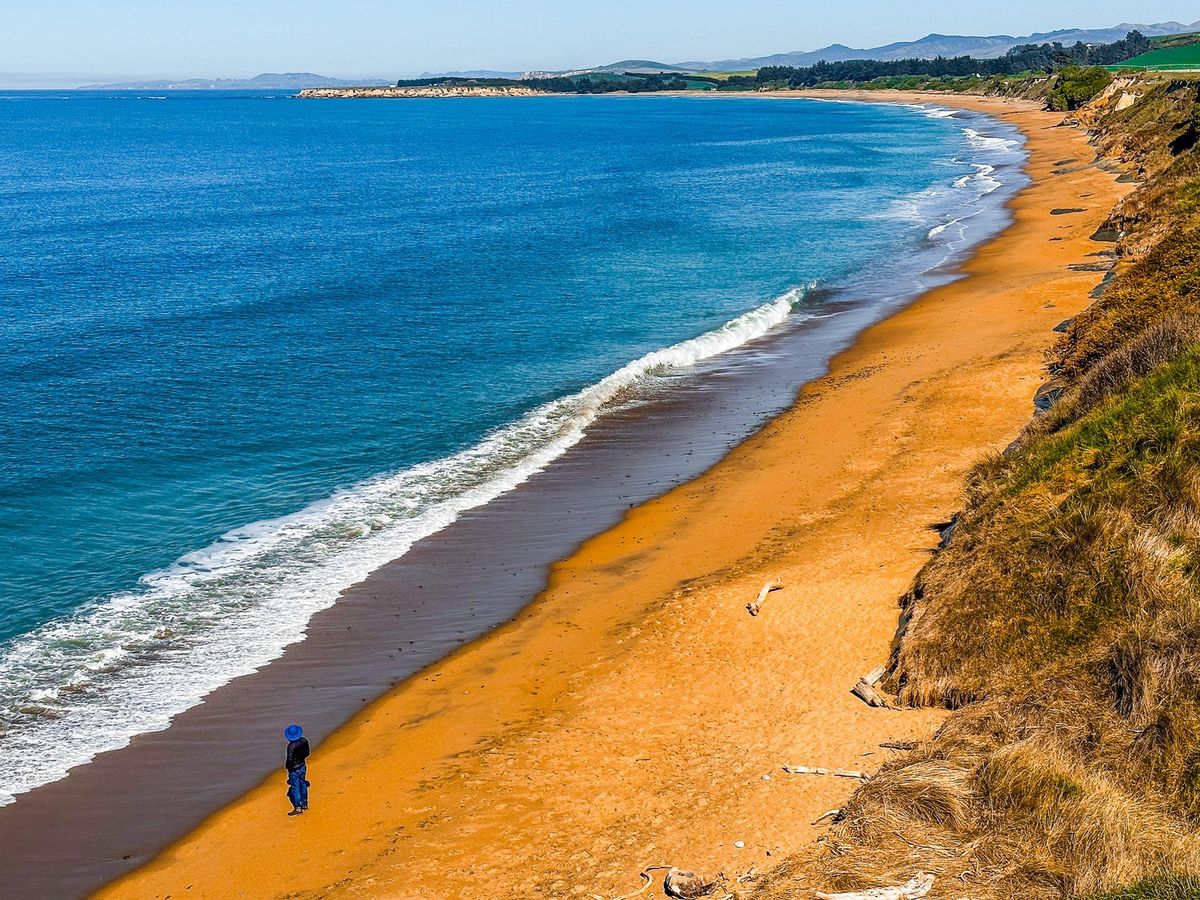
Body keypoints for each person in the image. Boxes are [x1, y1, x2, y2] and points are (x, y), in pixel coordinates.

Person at [284, 723, 310, 816]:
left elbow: (289, 760)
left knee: (295, 787)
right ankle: (304, 804)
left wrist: (288, 767)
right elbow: (307, 753)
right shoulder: (304, 741)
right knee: (302, 784)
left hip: (294, 769)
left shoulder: (291, 746)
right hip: (302, 766)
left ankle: (298, 808)